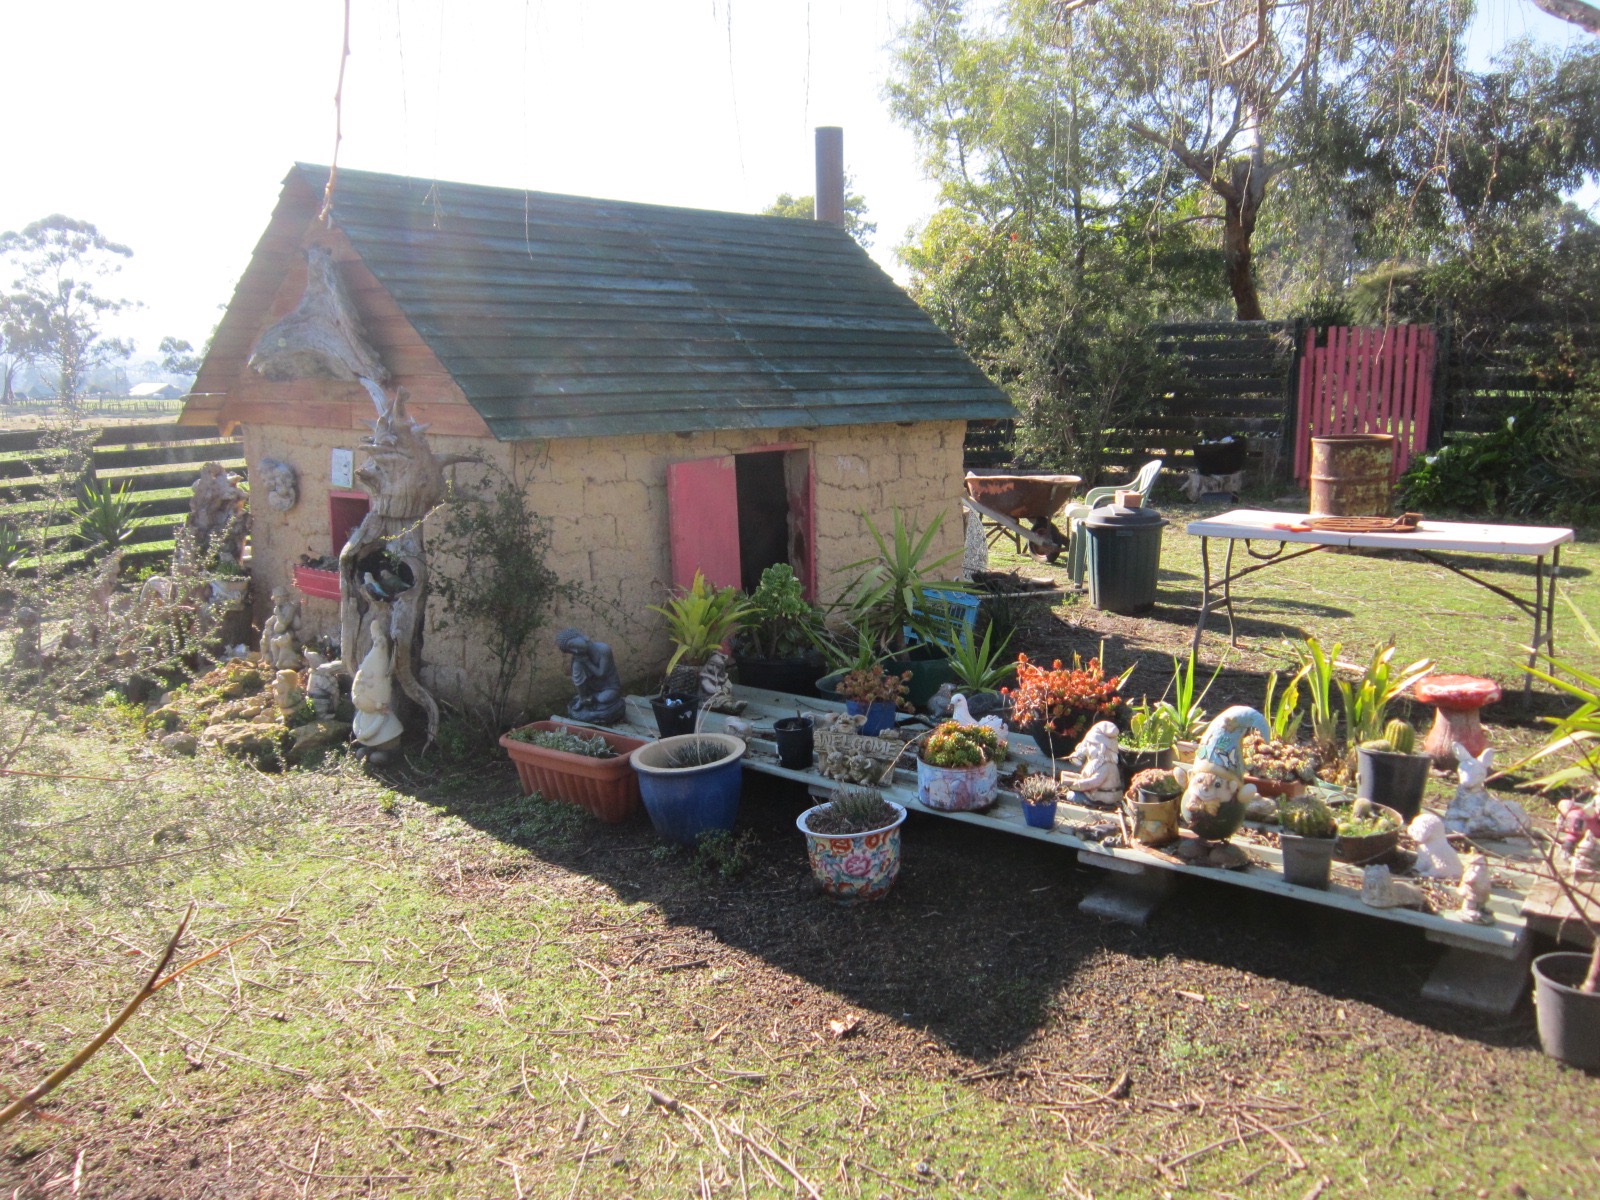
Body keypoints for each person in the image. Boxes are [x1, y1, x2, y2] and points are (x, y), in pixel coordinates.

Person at [555, 628, 625, 724]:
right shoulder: (579, 658)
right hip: (591, 690)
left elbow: (601, 674)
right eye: (570, 651)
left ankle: (592, 701)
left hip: (609, 687)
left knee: (603, 698)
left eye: (572, 645)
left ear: (580, 636)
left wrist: (586, 662)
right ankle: (584, 699)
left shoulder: (604, 649)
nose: (575, 651)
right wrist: (583, 696)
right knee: (577, 666)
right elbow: (578, 680)